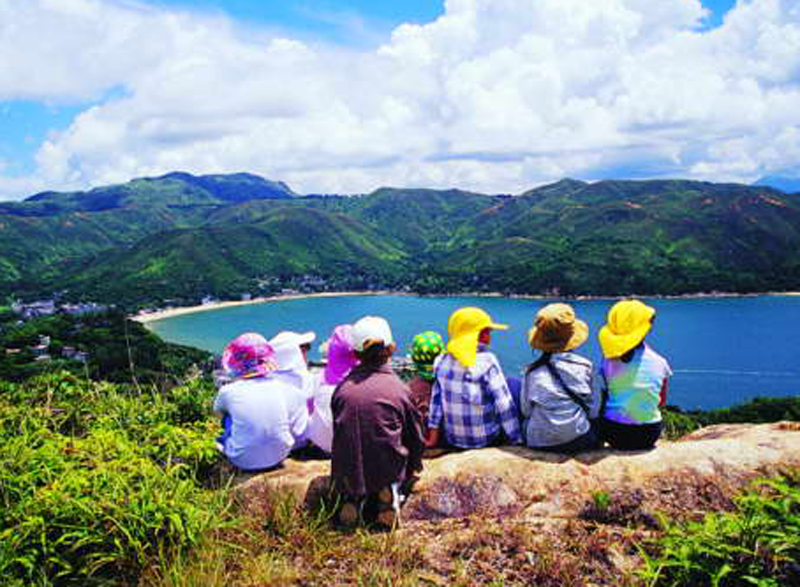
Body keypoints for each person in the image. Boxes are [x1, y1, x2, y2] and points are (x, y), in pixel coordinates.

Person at [331, 316, 425, 528]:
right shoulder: (399, 389)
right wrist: (416, 461)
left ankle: (353, 496)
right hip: (386, 466)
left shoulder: (342, 390)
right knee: (394, 453)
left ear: (355, 354)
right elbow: (415, 436)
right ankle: (388, 492)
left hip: (348, 468)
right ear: (392, 349)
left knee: (354, 454)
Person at [213, 332, 311, 471]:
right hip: (280, 454)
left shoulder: (228, 390)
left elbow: (217, 412)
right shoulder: (282, 387)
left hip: (242, 460)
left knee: (228, 416)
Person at [427, 307, 522, 449]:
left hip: (453, 439)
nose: (490, 335)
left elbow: (436, 403)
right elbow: (504, 405)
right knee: (514, 386)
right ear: (482, 335)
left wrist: (432, 438)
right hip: (485, 440)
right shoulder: (488, 361)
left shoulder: (440, 361)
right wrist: (516, 439)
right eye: (489, 331)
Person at [520, 303, 600, 453]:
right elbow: (593, 411)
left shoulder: (531, 372)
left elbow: (526, 411)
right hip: (579, 438)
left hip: (540, 441)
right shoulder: (585, 367)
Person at [597, 299, 672, 451]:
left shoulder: (608, 361)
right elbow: (661, 401)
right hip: (649, 433)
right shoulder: (660, 362)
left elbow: (601, 396)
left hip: (614, 433)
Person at [306, 324, 359, 454]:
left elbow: (309, 409)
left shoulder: (318, 378)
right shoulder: (362, 380)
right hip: (352, 446)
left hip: (322, 444)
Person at [406, 330, 445, 435]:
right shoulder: (449, 382)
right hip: (445, 434)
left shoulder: (410, 388)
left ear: (414, 358)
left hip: (422, 436)